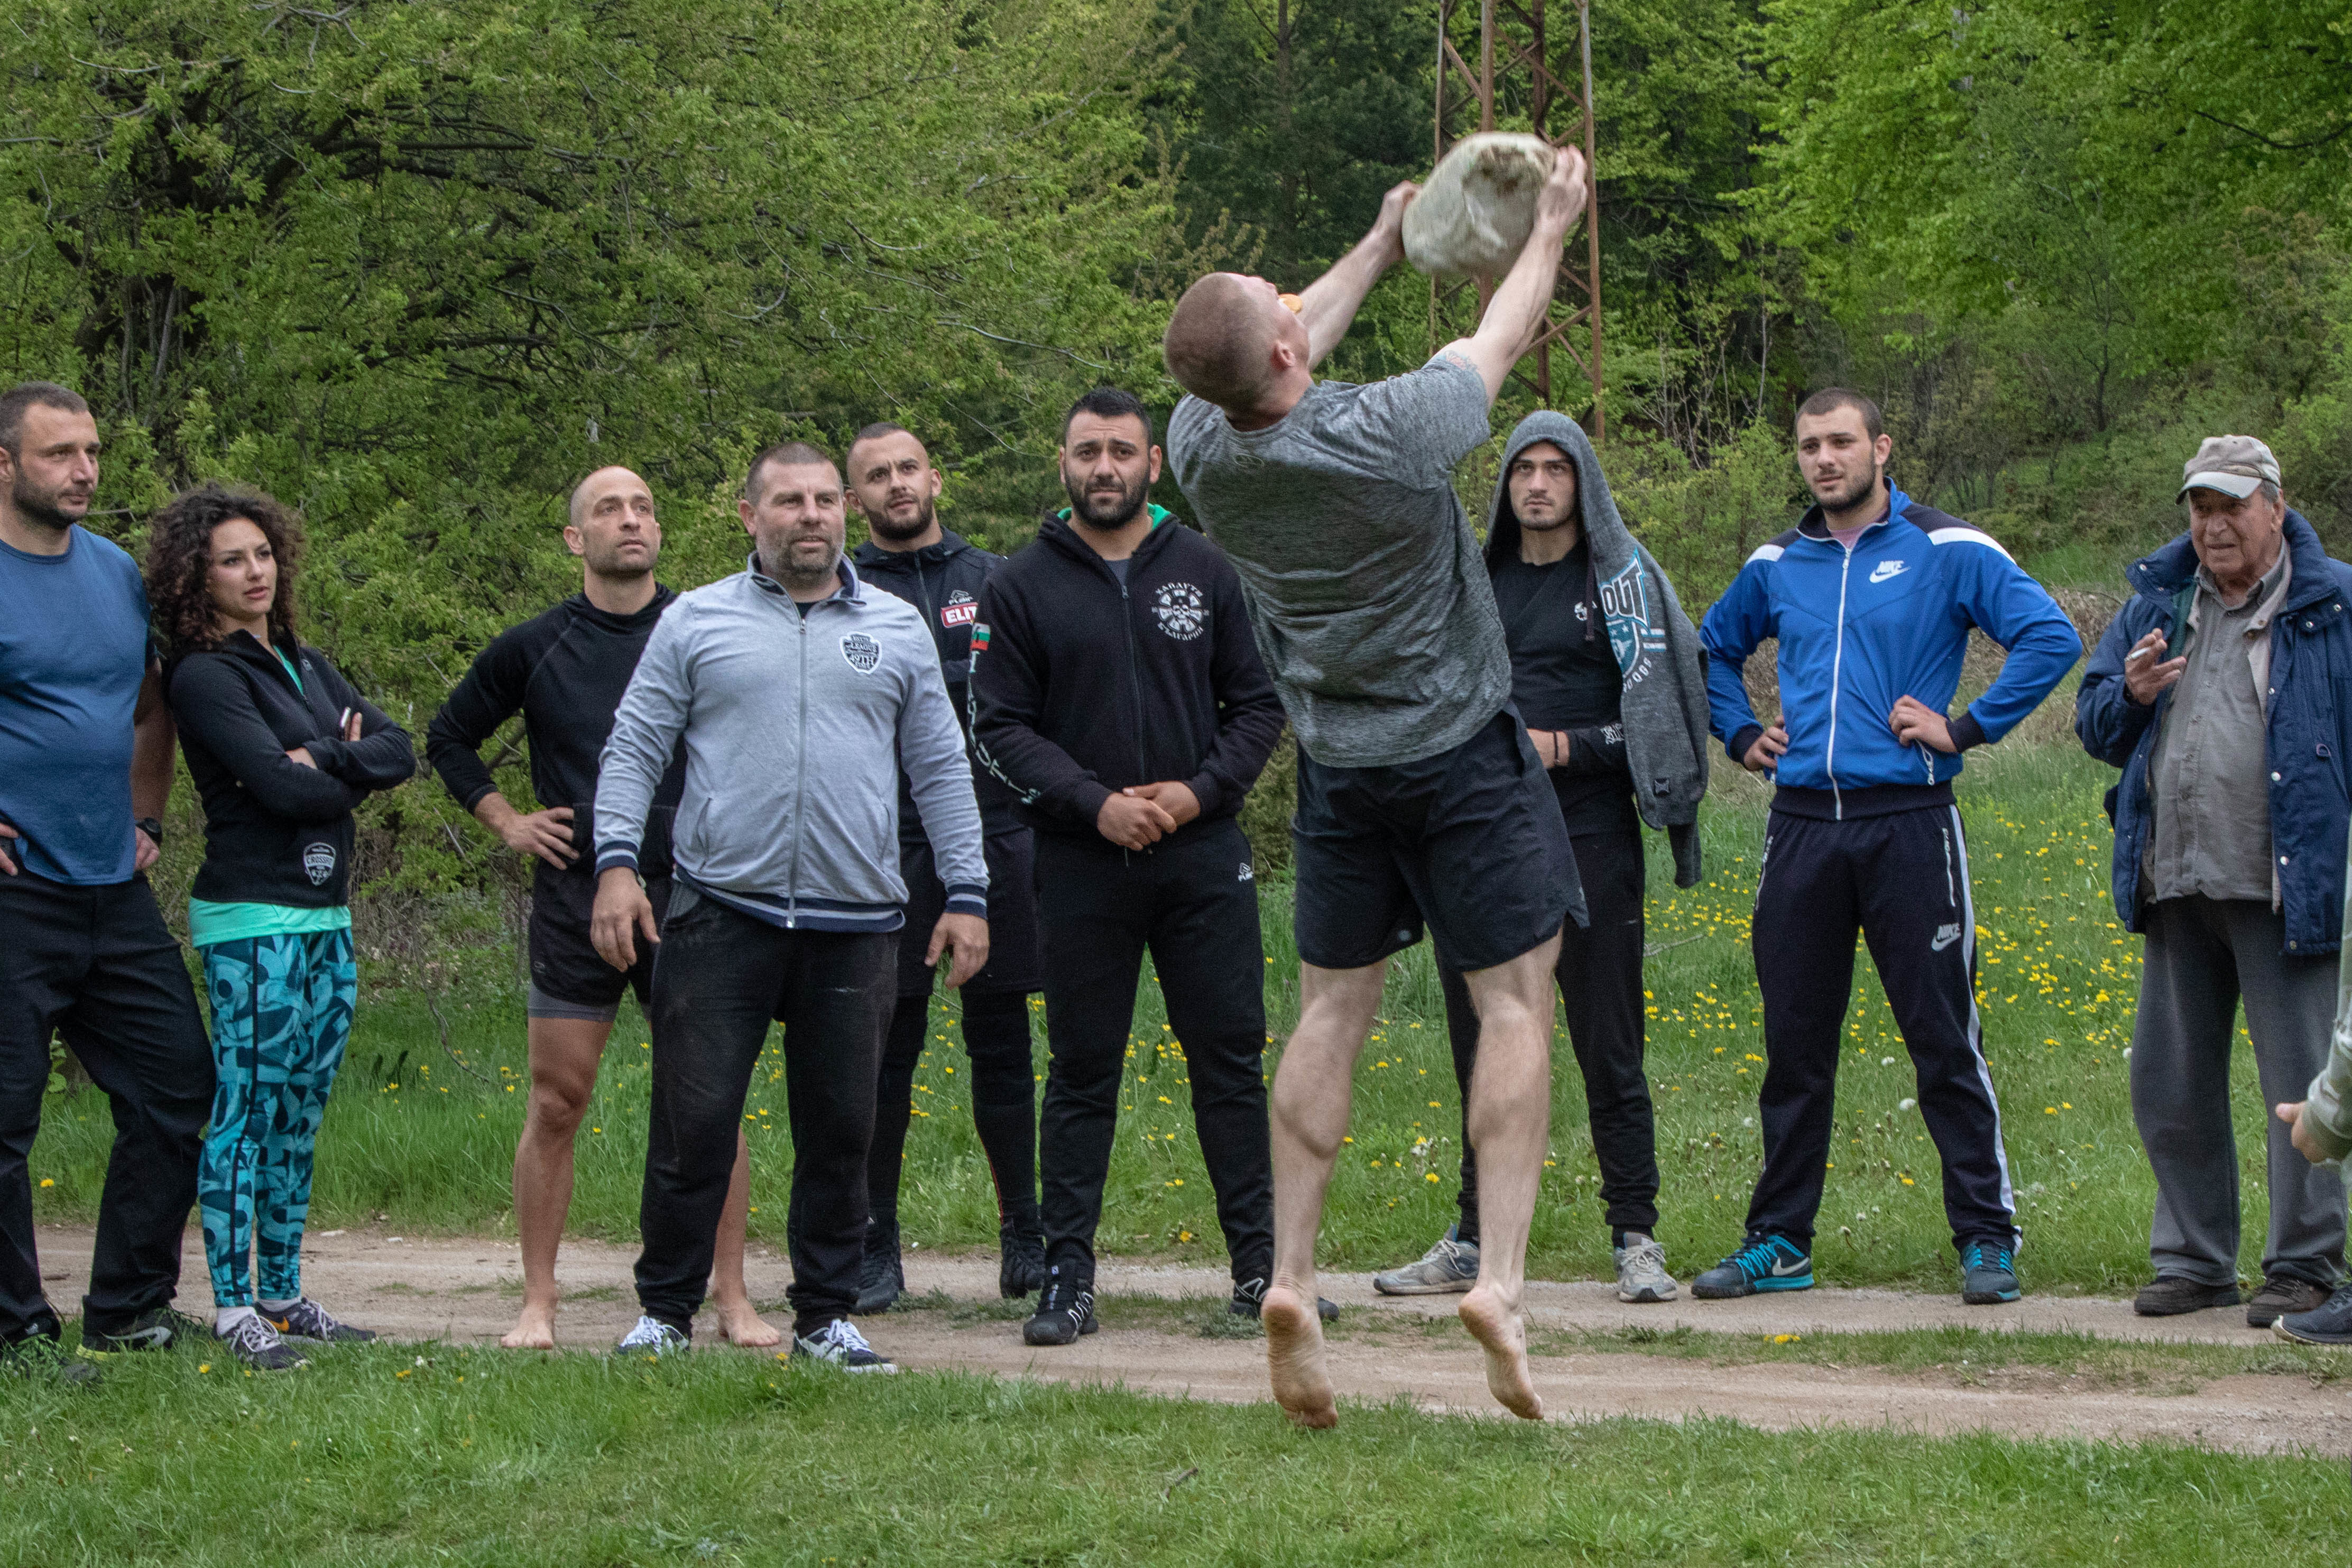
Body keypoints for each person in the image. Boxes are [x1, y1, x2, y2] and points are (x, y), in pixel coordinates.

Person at [1161, 148, 1592, 1426]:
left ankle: (1289, 1277)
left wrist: (1383, 237)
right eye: (1276, 300)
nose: (1292, 298)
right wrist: (1550, 229)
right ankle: (1498, 1283)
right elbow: (1501, 333)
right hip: (1460, 752)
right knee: (1512, 1004)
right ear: (1284, 350)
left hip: (1338, 765)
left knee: (1328, 1013)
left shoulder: (1199, 445)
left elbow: (1284, 330)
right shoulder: (1391, 434)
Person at [591, 441, 989, 1371]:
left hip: (857, 921)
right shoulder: (696, 620)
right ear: (749, 515)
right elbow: (634, 747)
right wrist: (616, 867)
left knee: (843, 1129)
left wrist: (967, 892)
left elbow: (940, 766)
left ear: (844, 509)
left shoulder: (894, 626)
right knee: (693, 1123)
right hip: (720, 911)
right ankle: (664, 1313)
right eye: (788, 501)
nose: (810, 516)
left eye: (823, 500)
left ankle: (825, 1315)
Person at [1697, 388, 2081, 1307]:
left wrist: (1967, 726)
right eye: (1808, 446)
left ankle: (1985, 1237)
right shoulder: (1775, 562)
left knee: (1942, 1039)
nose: (1823, 459)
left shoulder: (1945, 547)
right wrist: (1738, 733)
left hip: (1908, 825)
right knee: (1794, 1046)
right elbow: (1710, 648)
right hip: (1800, 827)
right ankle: (1780, 1241)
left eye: (1840, 441)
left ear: (1881, 448)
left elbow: (2049, 635)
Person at [425, 466, 777, 1350]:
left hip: (696, 896)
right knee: (557, 1101)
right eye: (609, 509)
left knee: (710, 1104)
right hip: (576, 897)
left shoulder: (707, 627)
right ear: (574, 539)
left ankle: (732, 1296)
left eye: (644, 507)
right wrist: (505, 820)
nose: (631, 520)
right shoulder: (535, 645)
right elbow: (449, 736)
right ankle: (538, 1302)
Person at [970, 388, 1288, 1348]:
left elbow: (1260, 706)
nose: (1102, 467)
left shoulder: (1207, 567)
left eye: (1120, 450)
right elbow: (998, 727)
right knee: (1080, 1070)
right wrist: (1093, 803)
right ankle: (1067, 1280)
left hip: (1202, 858)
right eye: (1086, 451)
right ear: (1062, 462)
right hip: (1080, 862)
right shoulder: (1019, 584)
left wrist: (1197, 793)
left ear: (1153, 464)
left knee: (1228, 1063)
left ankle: (1262, 1271)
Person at [1373, 411, 1712, 1306]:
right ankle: (1472, 1237)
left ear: (1582, 482)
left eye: (1556, 469)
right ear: (1504, 485)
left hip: (1590, 833)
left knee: (1610, 1041)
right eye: (1523, 468)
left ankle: (1635, 1236)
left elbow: (1659, 720)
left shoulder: (1622, 585)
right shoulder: (1474, 586)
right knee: (1481, 1045)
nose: (1536, 484)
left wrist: (1564, 747)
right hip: (1481, 838)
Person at [2077, 435, 2351, 1327]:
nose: (2213, 524)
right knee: (2170, 1085)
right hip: (2175, 877)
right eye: (2200, 507)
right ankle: (2194, 1261)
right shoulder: (2157, 600)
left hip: (2287, 887)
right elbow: (2094, 725)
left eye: (2231, 505)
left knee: (2302, 1086)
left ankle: (2305, 1265)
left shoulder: (2333, 603)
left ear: (2275, 505)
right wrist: (2129, 695)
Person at [148, 483, 417, 1369]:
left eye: (262, 553)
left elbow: (398, 752)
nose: (253, 571)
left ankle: (284, 1294)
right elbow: (277, 786)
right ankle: (234, 1309)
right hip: (251, 919)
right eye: (231, 560)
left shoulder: (307, 662)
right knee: (247, 1110)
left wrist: (331, 756)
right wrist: (343, 769)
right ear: (198, 577)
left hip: (326, 915)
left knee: (299, 1111)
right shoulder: (203, 675)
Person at [0, 382, 214, 1386]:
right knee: (5, 1119)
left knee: (177, 1083)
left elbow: (147, 705)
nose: (84, 471)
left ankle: (127, 1310)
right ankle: (16, 1335)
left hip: (108, 883)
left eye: (91, 451)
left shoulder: (116, 572)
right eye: (59, 454)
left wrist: (147, 816)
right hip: (13, 890)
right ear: (6, 464)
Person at [844, 424, 1046, 1312]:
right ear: (853, 498)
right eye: (876, 475)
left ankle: (1025, 1237)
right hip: (883, 846)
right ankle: (874, 1244)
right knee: (883, 1052)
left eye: (907, 469)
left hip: (997, 837)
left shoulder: (997, 580)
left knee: (1002, 1046)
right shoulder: (841, 592)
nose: (896, 484)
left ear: (936, 478)